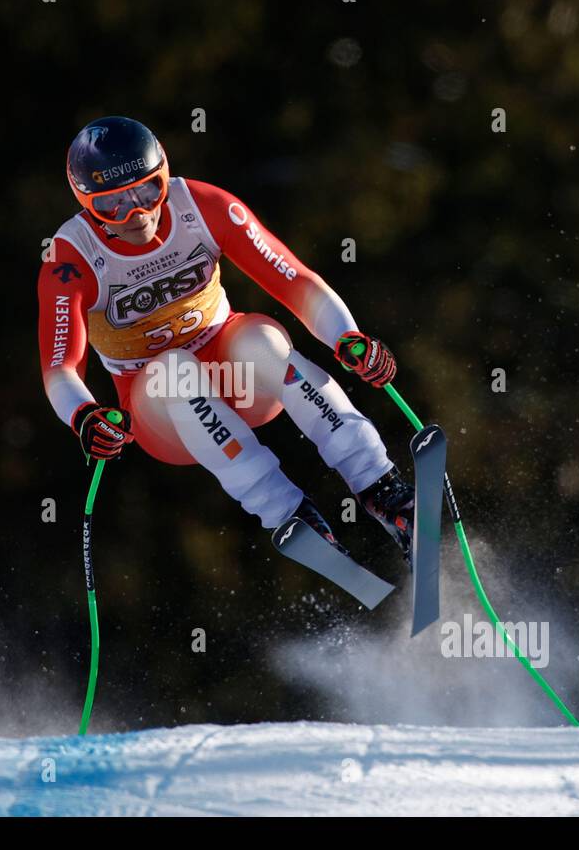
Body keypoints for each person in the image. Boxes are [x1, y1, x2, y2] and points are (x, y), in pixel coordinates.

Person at [37, 116, 414, 562]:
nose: (136, 213)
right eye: (112, 205)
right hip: (164, 412)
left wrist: (348, 339)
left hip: (238, 376)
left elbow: (294, 279)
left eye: (147, 191)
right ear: (85, 202)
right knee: (174, 371)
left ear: (164, 175)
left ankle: (382, 488)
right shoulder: (73, 256)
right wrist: (85, 415)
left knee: (261, 342)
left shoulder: (202, 205)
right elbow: (60, 365)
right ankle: (291, 515)